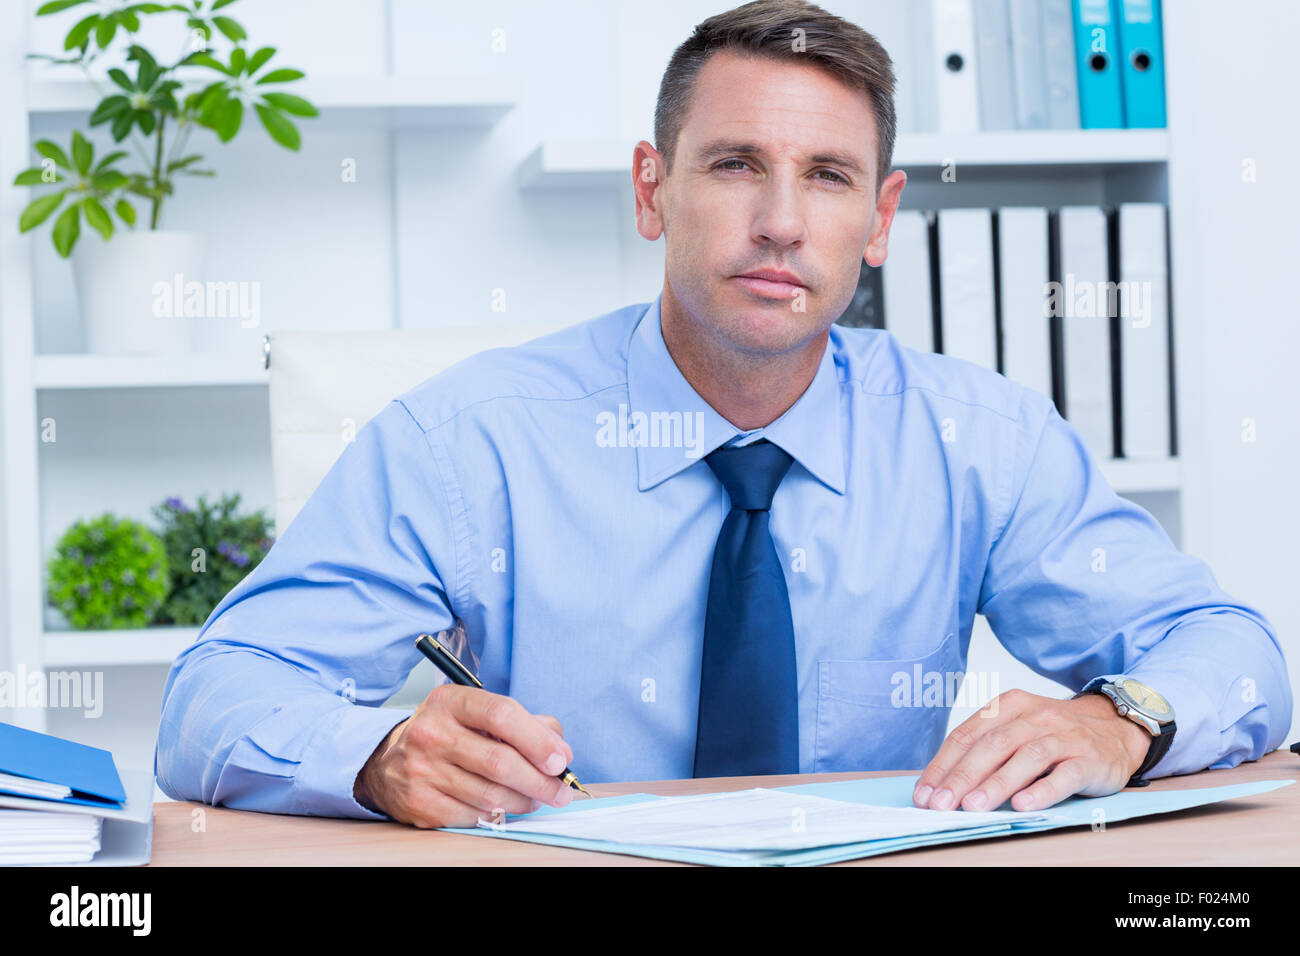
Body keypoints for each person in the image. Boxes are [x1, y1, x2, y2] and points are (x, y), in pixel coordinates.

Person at [155, 0, 1291, 826]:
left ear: (882, 218)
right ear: (653, 188)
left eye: (830, 176)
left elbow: (1237, 657)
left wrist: (1119, 719)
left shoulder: (979, 441)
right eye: (738, 165)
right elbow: (213, 698)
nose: (782, 222)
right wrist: (376, 752)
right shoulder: (467, 442)